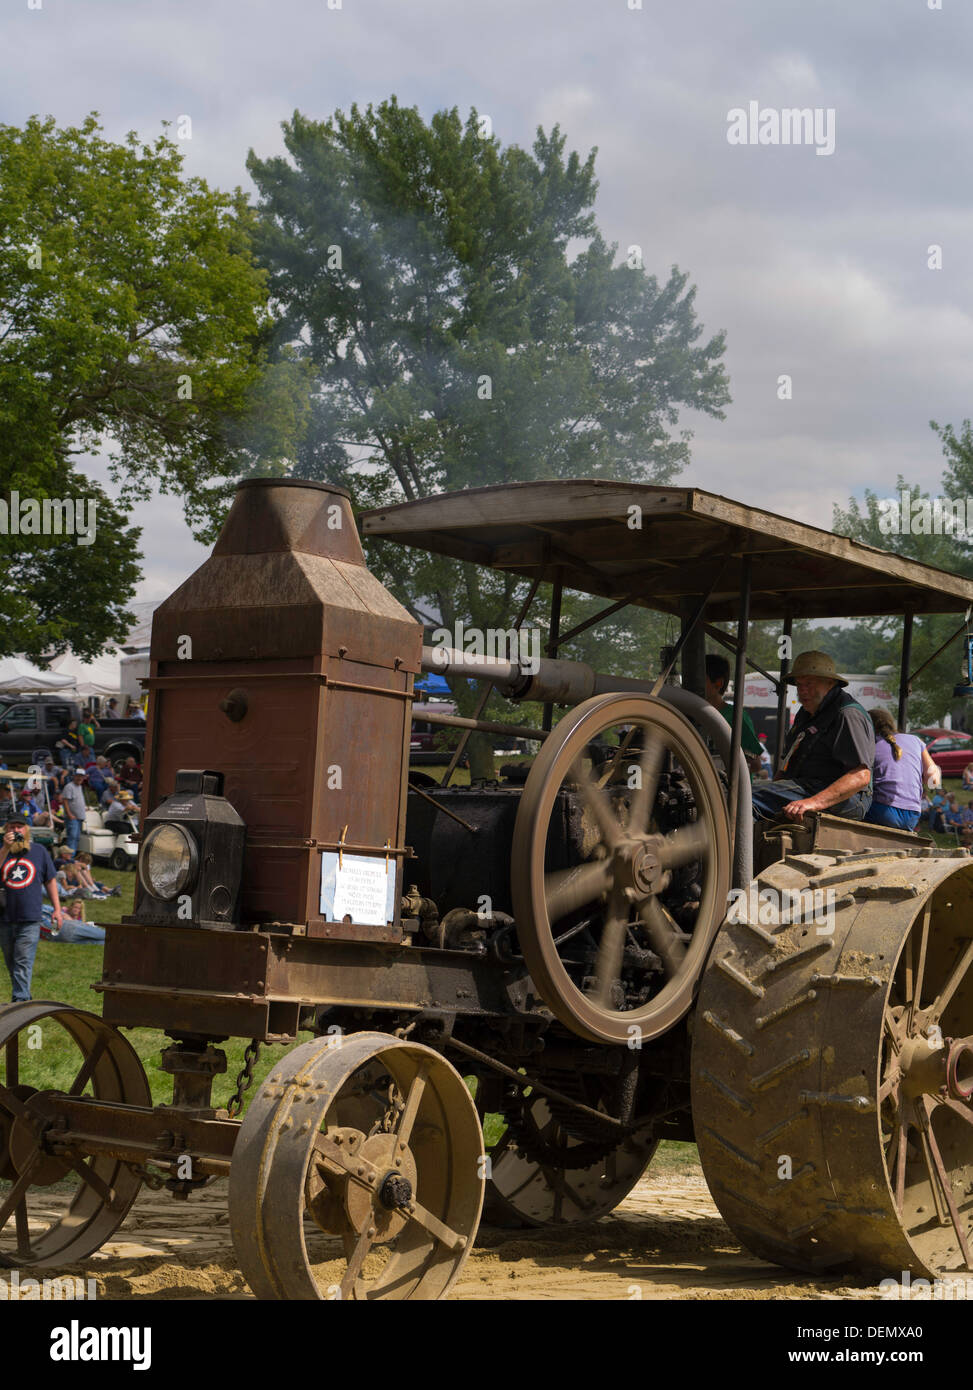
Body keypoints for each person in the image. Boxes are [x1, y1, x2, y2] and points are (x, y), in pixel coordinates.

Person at [751, 650, 874, 822]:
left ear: (830, 683)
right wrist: (774, 786)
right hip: (807, 786)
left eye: (809, 684)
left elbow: (861, 776)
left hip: (849, 799)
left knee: (748, 798)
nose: (803, 691)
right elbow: (788, 762)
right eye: (799, 685)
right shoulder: (805, 714)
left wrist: (812, 803)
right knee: (743, 794)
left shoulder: (847, 714)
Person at [1, 818, 62, 1001]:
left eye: (19, 826)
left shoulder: (39, 851)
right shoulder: (2, 850)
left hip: (30, 917)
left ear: (27, 829)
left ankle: (19, 1002)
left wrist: (57, 909)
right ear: (6, 830)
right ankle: (23, 999)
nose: (16, 830)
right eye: (12, 827)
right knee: (12, 963)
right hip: (4, 917)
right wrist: (5, 848)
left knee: (23, 961)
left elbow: (50, 880)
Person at [863, 708, 939, 831]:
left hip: (881, 811)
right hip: (912, 815)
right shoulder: (916, 741)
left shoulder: (870, 746)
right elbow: (933, 780)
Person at [705, 654, 763, 773]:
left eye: (699, 679)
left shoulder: (736, 717)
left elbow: (755, 764)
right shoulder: (694, 716)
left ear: (718, 684)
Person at [59, 768, 89, 852]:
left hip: (79, 818)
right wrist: (69, 814)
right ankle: (69, 859)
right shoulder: (69, 786)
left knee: (76, 838)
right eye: (78, 776)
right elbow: (65, 801)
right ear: (74, 776)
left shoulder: (79, 786)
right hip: (73, 818)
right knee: (72, 838)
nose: (80, 778)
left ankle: (71, 857)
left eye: (81, 776)